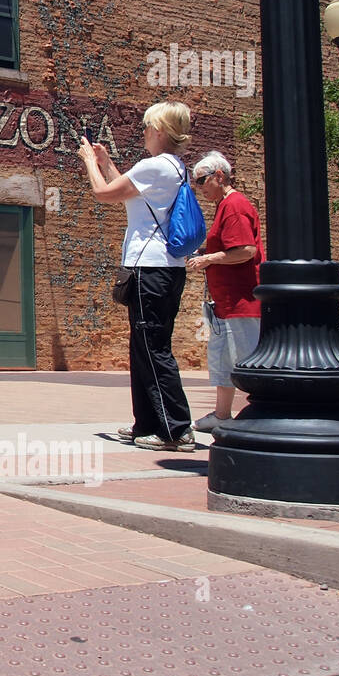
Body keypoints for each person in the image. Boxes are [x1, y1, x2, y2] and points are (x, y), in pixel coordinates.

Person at [78, 101, 195, 451]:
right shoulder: (174, 167)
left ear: (159, 130)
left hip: (150, 269)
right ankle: (147, 424)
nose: (143, 131)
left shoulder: (155, 166)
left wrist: (88, 164)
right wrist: (107, 164)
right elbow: (131, 195)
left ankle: (176, 429)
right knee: (143, 346)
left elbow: (103, 194)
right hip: (166, 269)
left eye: (146, 126)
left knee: (153, 347)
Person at [185, 151, 262, 433]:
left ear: (220, 175)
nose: (200, 187)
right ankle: (222, 414)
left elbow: (246, 251)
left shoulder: (235, 205)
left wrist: (208, 259)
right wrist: (207, 253)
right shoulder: (223, 206)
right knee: (223, 359)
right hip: (226, 302)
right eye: (195, 182)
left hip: (242, 300)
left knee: (246, 359)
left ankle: (262, 413)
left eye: (202, 180)